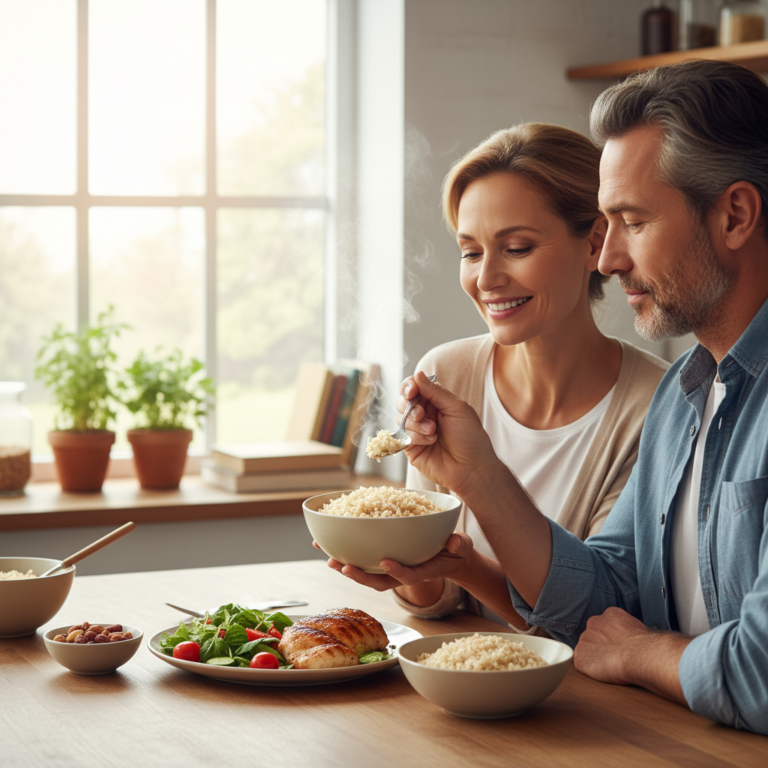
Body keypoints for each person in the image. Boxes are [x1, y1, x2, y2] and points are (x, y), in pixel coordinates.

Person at [366, 60, 768, 734]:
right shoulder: (684, 394)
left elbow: (758, 671)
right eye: (605, 226)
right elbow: (599, 597)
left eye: (632, 223)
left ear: (734, 215)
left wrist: (644, 652)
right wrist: (480, 479)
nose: (607, 260)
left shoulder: (655, 394)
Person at [325, 123, 668, 631]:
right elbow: (434, 601)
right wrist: (397, 555)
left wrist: (469, 555)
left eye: (518, 247)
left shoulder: (656, 406)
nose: (486, 280)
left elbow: (596, 619)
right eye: (471, 251)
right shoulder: (446, 375)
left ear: (595, 243)